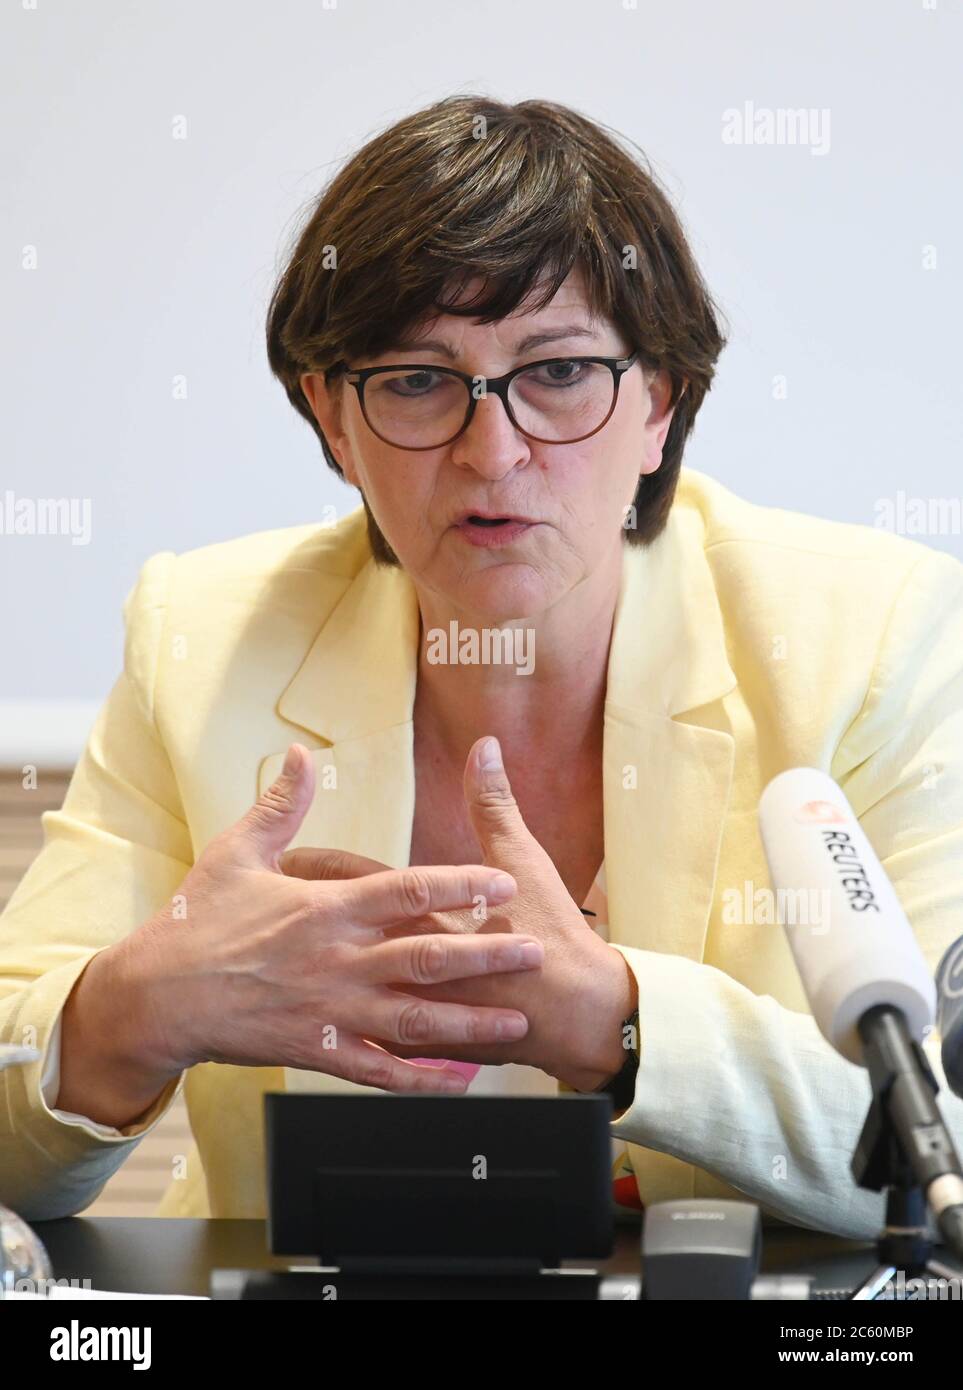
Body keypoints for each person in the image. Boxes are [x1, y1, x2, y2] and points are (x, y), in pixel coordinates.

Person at [2, 95, 962, 1238]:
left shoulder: (870, 638)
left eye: (556, 373)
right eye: (416, 380)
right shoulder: (203, 638)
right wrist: (131, 1012)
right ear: (333, 419)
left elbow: (935, 1139)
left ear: (658, 402)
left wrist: (617, 1019)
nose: (491, 451)